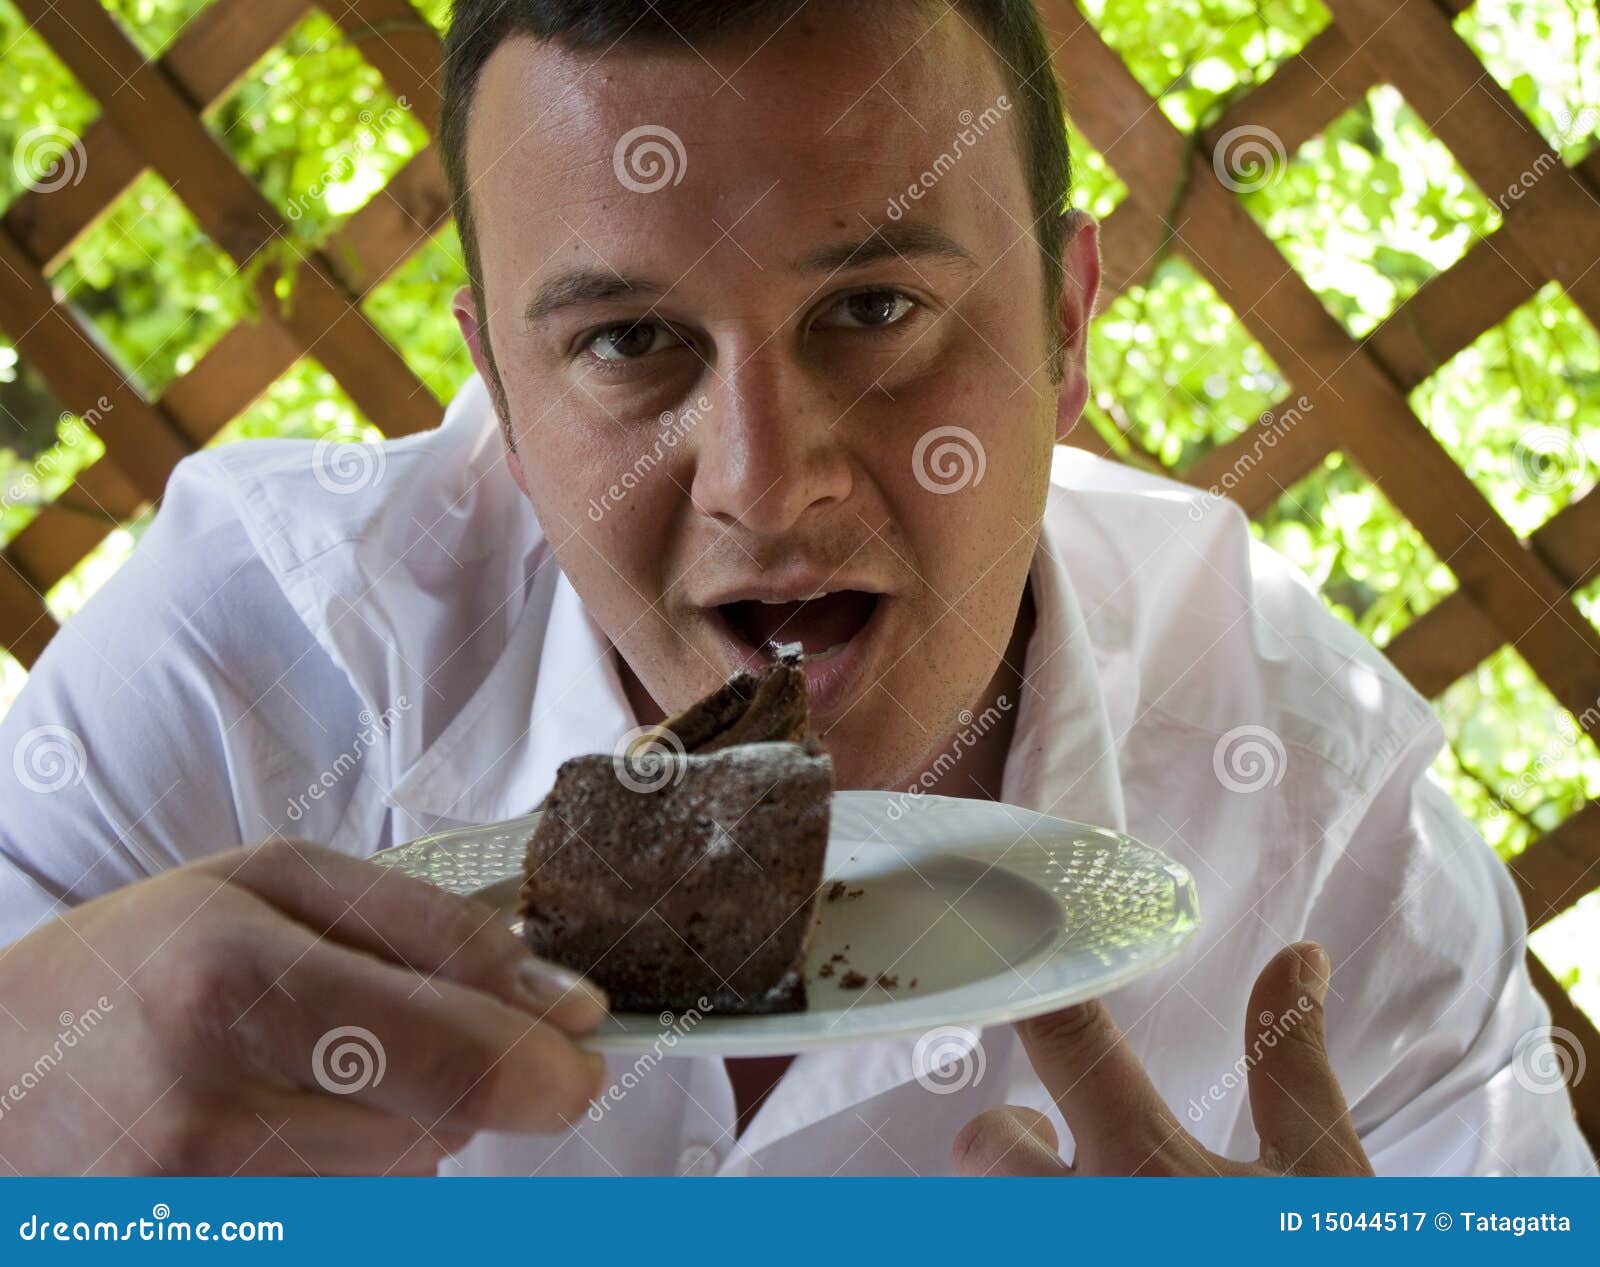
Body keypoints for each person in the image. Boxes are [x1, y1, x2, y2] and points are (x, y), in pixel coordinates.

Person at [0, 0, 1591, 1177]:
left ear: (1067, 323)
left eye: (876, 308)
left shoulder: (1318, 809)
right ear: (500, 390)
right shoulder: (251, 658)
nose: (765, 486)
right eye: (630, 341)